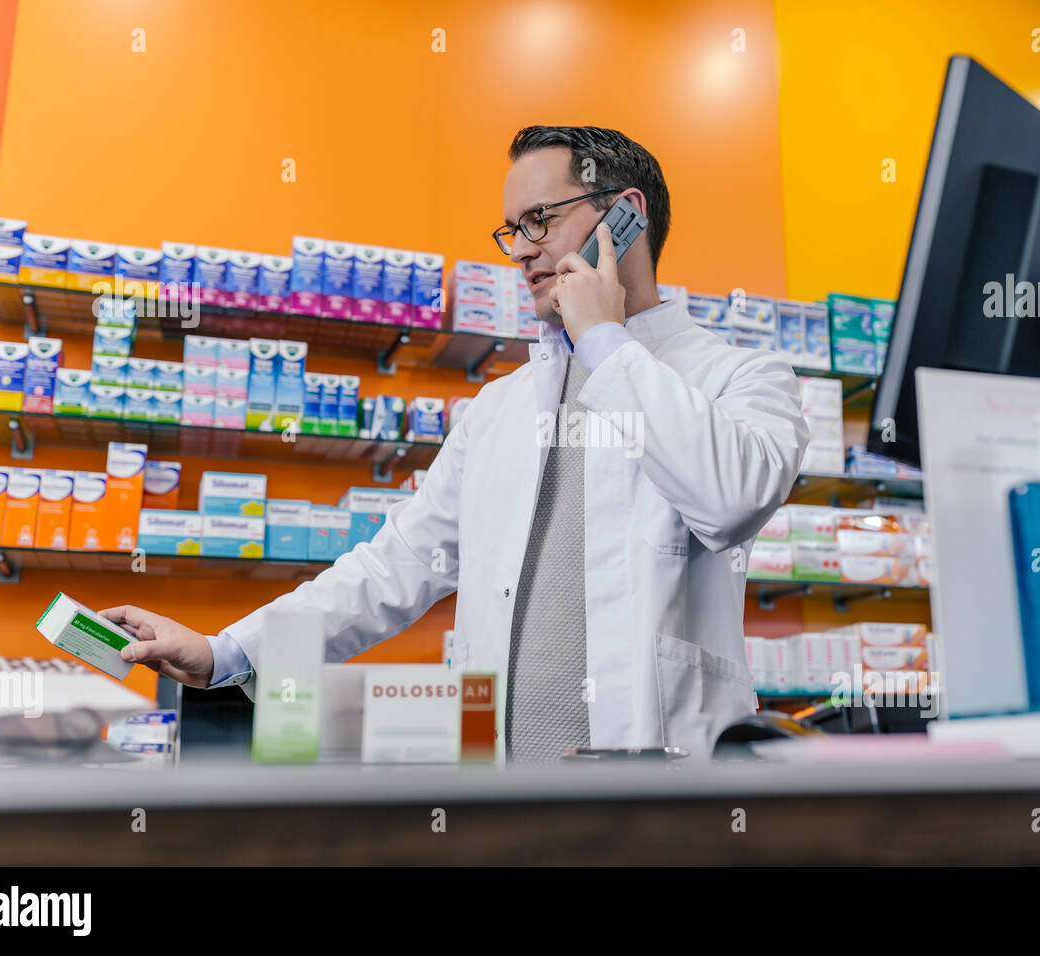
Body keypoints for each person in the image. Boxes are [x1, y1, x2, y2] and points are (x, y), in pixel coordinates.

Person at [103, 125, 810, 761]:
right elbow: (395, 566)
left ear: (628, 214)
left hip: (660, 799)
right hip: (502, 796)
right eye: (511, 230)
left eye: (541, 219)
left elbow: (731, 500)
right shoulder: (499, 409)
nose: (524, 249)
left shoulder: (737, 376)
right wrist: (226, 652)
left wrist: (604, 338)